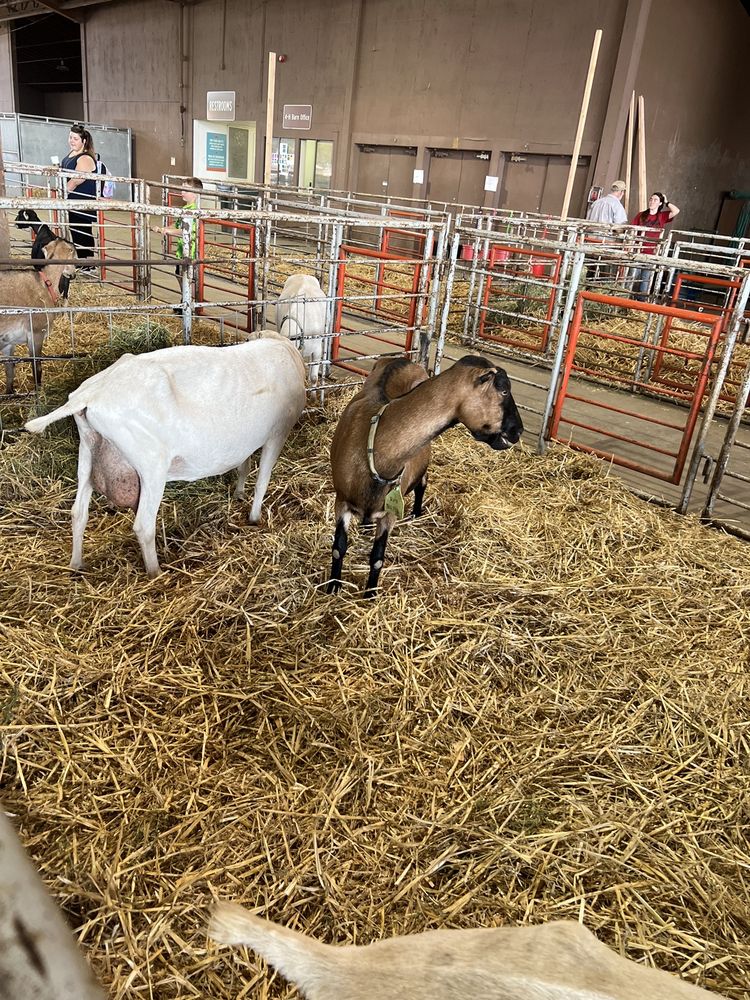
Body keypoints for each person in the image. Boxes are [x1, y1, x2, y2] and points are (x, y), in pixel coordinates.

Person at [150, 178, 204, 310]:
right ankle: (185, 299)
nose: (182, 192)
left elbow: (186, 231)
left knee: (185, 275)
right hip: (182, 249)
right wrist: (165, 228)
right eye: (182, 188)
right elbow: (178, 225)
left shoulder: (193, 210)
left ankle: (187, 302)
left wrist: (168, 231)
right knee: (179, 273)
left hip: (190, 250)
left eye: (186, 189)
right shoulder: (186, 208)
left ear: (195, 193)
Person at [61, 124, 98, 272]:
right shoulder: (72, 154)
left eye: (75, 138)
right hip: (72, 201)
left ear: (84, 141)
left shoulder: (85, 158)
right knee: (75, 230)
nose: (72, 140)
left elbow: (77, 180)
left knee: (82, 230)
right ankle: (83, 261)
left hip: (81, 200)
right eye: (70, 137)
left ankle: (88, 263)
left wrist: (62, 192)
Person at [630, 192, 680, 297]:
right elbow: (632, 230)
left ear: (660, 203)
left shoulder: (662, 216)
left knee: (645, 283)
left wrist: (667, 202)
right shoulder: (641, 215)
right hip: (638, 251)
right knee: (631, 279)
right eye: (651, 199)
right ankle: (625, 302)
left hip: (651, 253)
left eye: (655, 200)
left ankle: (640, 306)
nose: (652, 201)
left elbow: (676, 211)